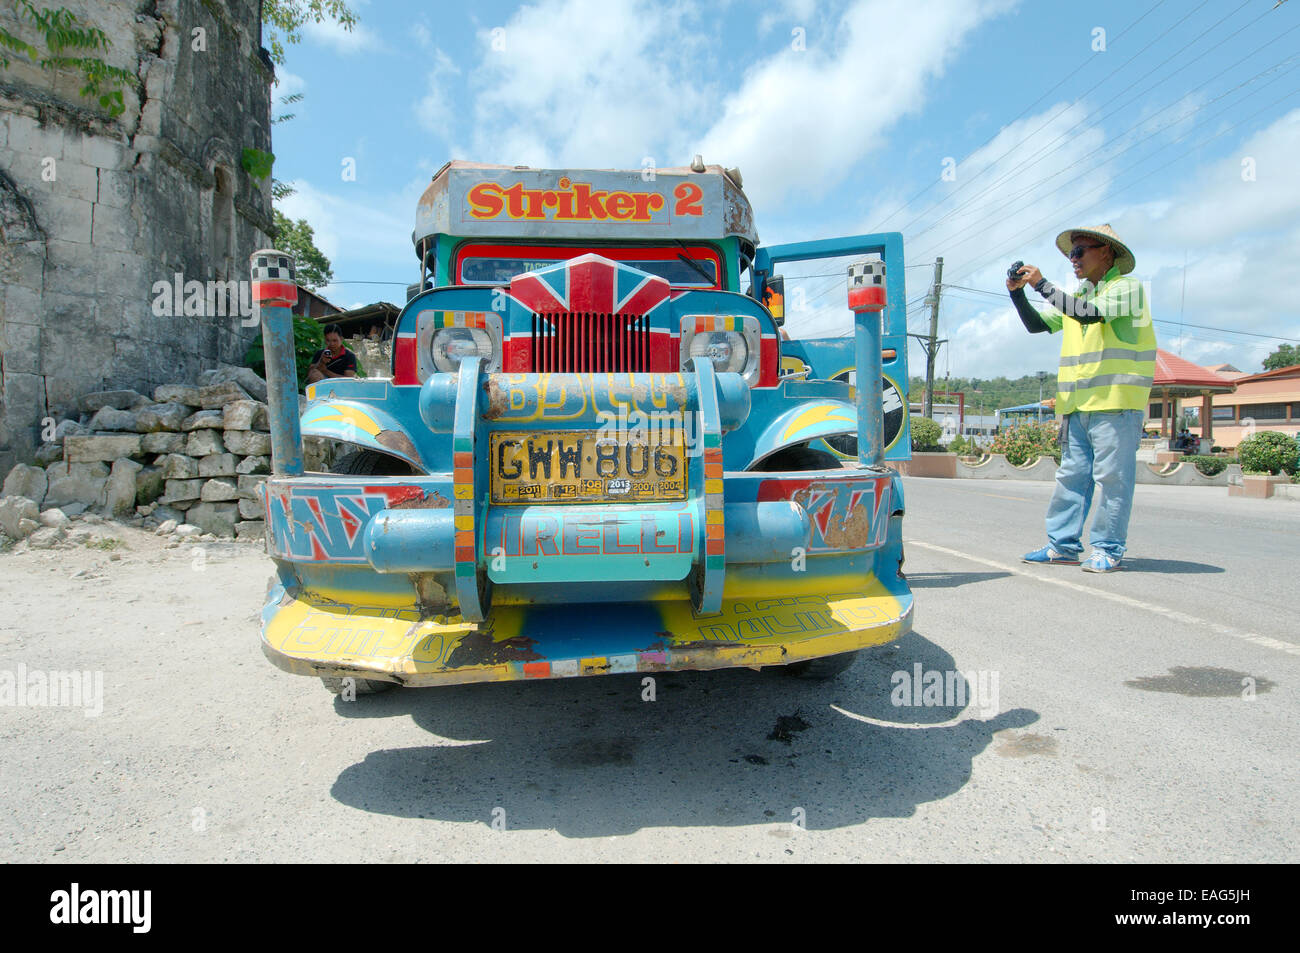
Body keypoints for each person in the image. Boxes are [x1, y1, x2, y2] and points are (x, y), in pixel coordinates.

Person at [1007, 224, 1156, 573]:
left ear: (1106, 252)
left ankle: (1108, 548)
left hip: (1115, 403)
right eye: (1070, 253)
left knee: (1113, 480)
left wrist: (1041, 285)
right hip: (1077, 406)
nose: (1072, 259)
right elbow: (1037, 325)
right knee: (1072, 477)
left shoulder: (1127, 289)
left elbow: (1089, 315)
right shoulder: (1080, 296)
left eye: (1079, 251)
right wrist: (1017, 294)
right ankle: (1063, 546)